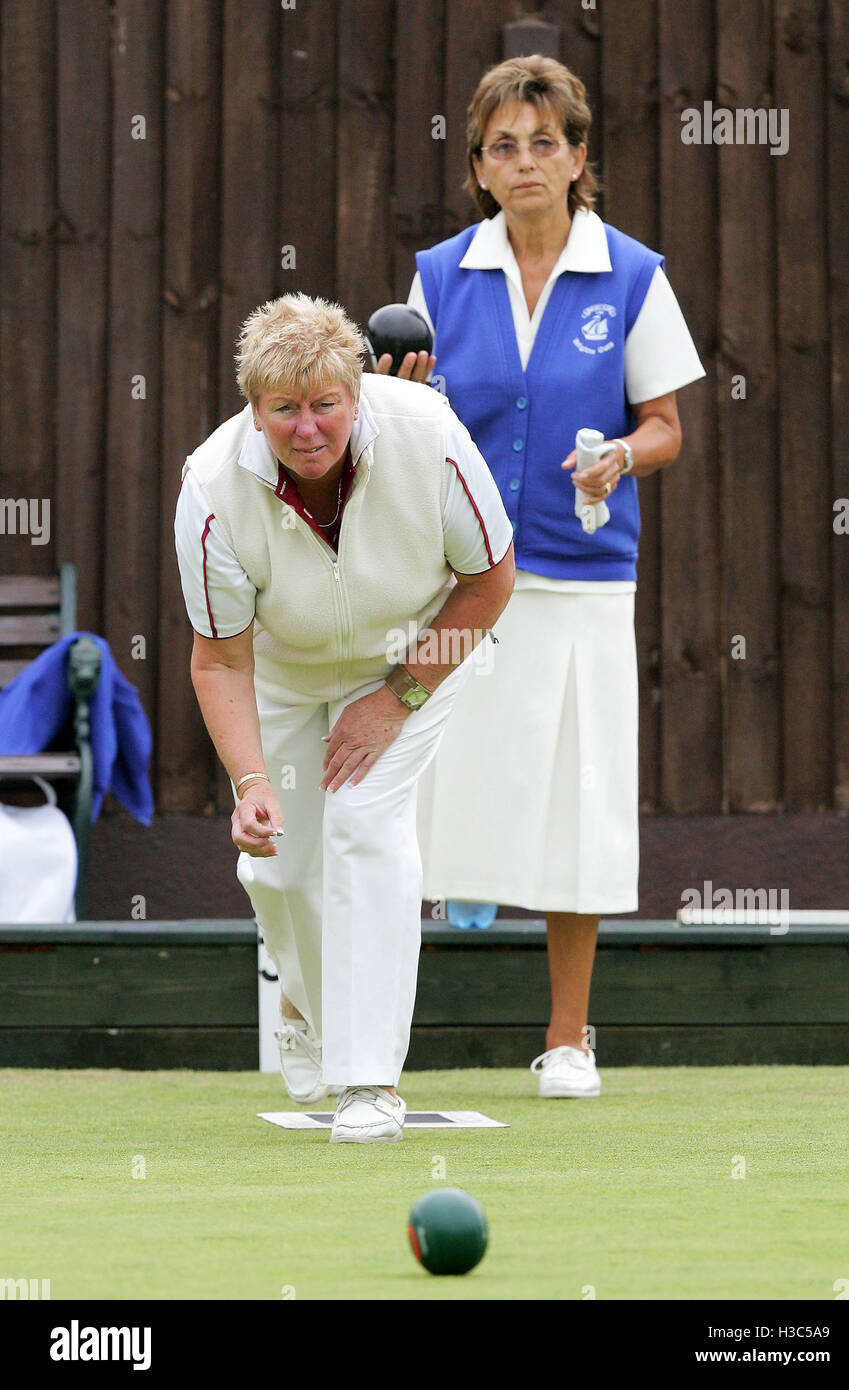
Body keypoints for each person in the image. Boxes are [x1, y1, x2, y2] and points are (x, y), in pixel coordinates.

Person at [392, 54, 705, 1099]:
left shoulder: (632, 275)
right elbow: (408, 417)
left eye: (545, 142)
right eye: (502, 146)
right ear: (478, 168)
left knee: (580, 797)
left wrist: (622, 453)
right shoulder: (438, 277)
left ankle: (568, 1038)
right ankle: (358, 1033)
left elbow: (666, 425)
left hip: (581, 582)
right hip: (457, 584)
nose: (524, 162)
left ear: (579, 157)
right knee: (408, 796)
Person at [174, 293, 514, 1142]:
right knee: (279, 870)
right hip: (284, 673)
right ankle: (302, 998)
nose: (309, 427)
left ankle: (367, 1085)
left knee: (362, 822)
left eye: (326, 404)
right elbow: (219, 656)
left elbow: (490, 582)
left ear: (355, 393)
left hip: (413, 654)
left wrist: (392, 701)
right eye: (285, 409)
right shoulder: (211, 485)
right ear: (256, 409)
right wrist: (251, 783)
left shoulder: (430, 436)